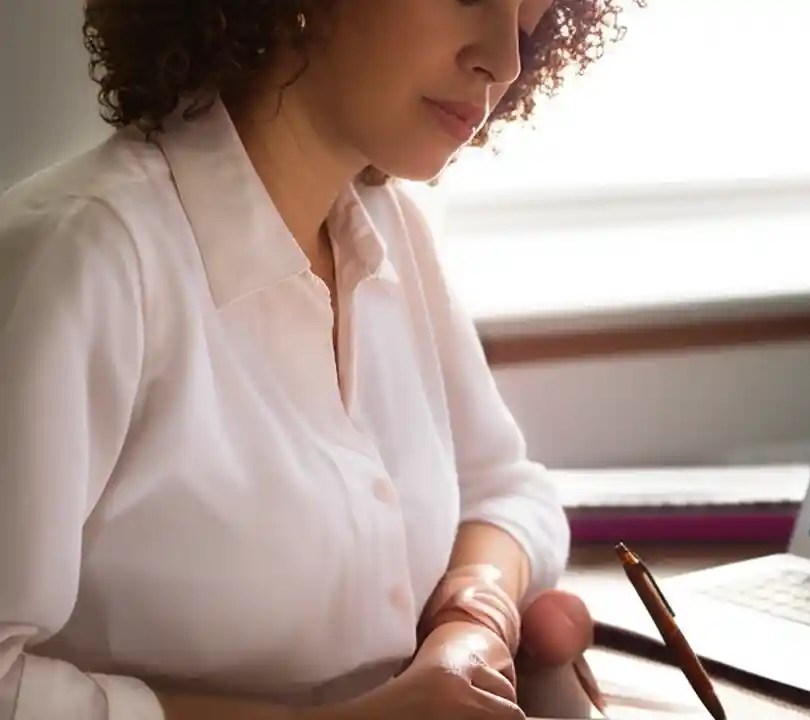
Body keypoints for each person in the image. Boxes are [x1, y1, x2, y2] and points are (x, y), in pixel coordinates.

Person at [0, 1, 634, 718]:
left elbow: (509, 492)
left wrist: (474, 622)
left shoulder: (395, 234)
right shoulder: (84, 256)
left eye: (529, 19)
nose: (505, 62)